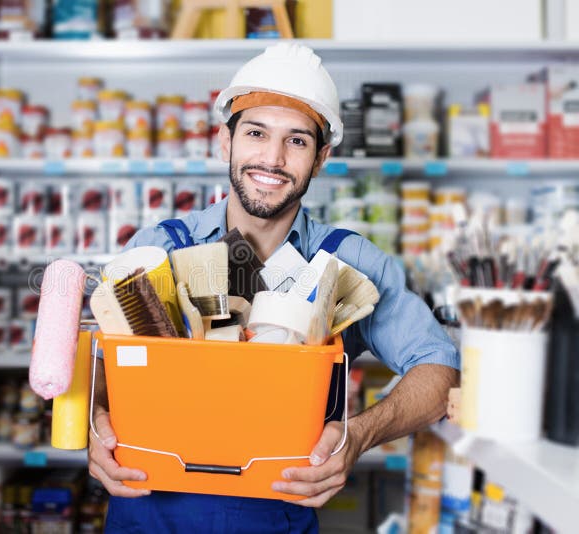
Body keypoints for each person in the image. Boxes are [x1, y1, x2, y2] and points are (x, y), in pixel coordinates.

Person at [89, 43, 459, 533]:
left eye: (297, 141)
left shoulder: (349, 262)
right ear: (225, 141)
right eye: (256, 133)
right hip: (148, 510)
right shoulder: (156, 251)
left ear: (321, 158)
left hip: (276, 514)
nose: (272, 157)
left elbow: (440, 369)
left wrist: (357, 435)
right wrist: (95, 423)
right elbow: (96, 364)